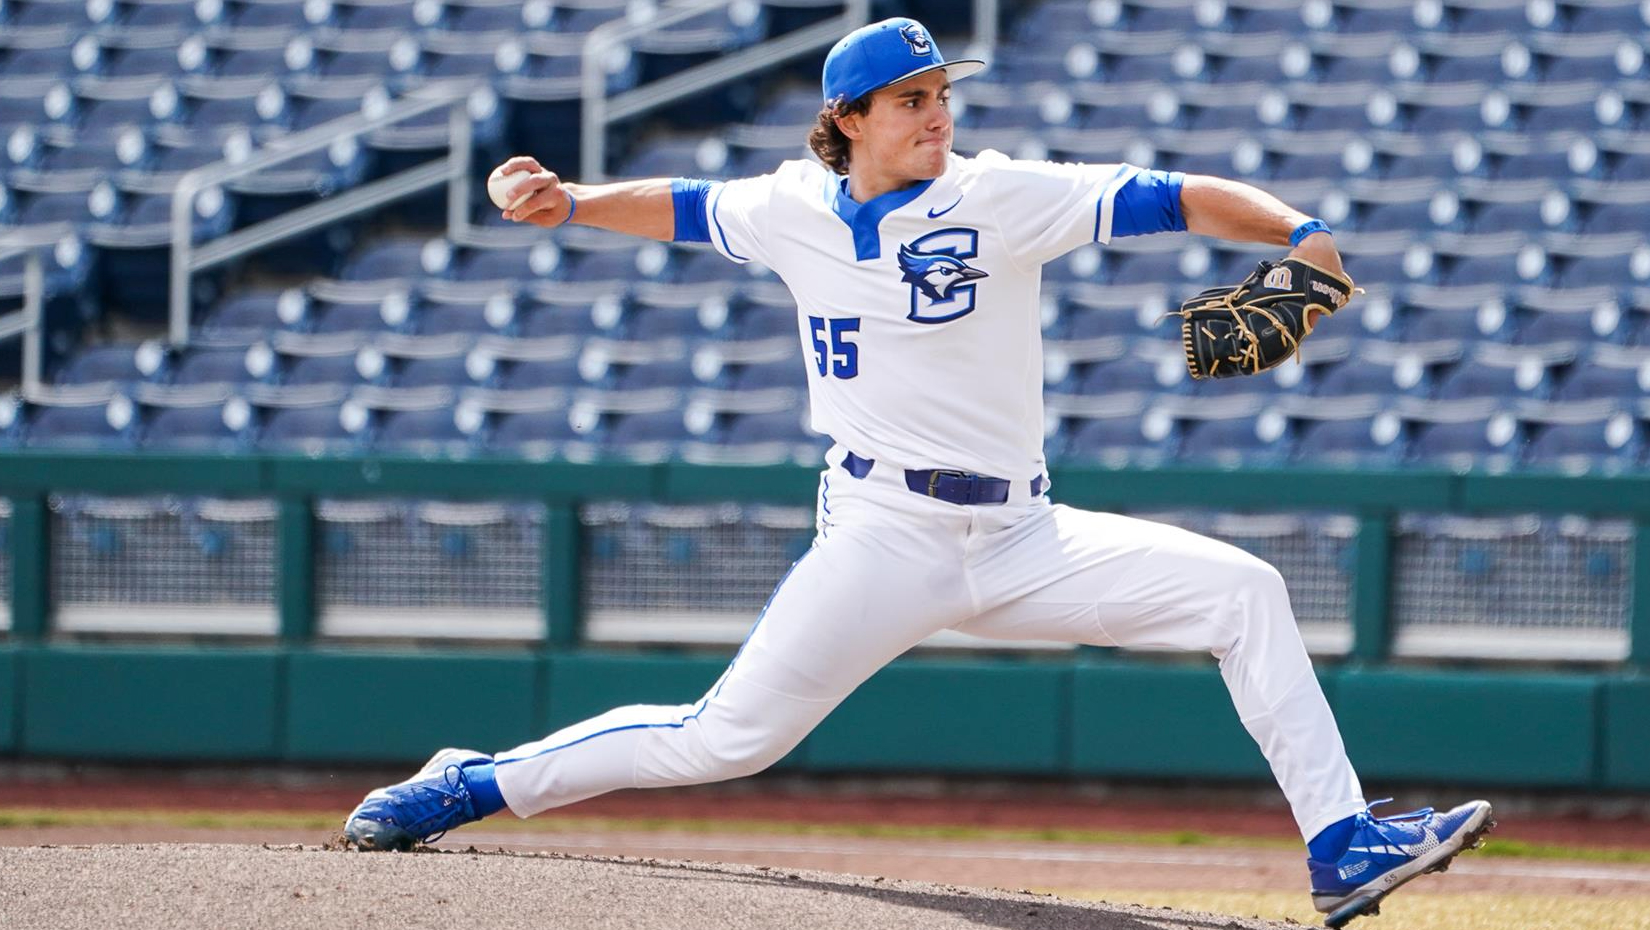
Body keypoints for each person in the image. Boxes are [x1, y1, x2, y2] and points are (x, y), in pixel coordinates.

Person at [342, 17, 1493, 928]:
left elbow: (1178, 194)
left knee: (1245, 592)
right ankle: (474, 781)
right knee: (725, 739)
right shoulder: (789, 207)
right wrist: (574, 203)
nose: (937, 113)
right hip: (883, 532)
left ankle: (1342, 846)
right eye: (910, 99)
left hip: (1025, 537)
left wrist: (1299, 230)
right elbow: (687, 209)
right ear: (846, 120)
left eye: (942, 93)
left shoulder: (998, 195)